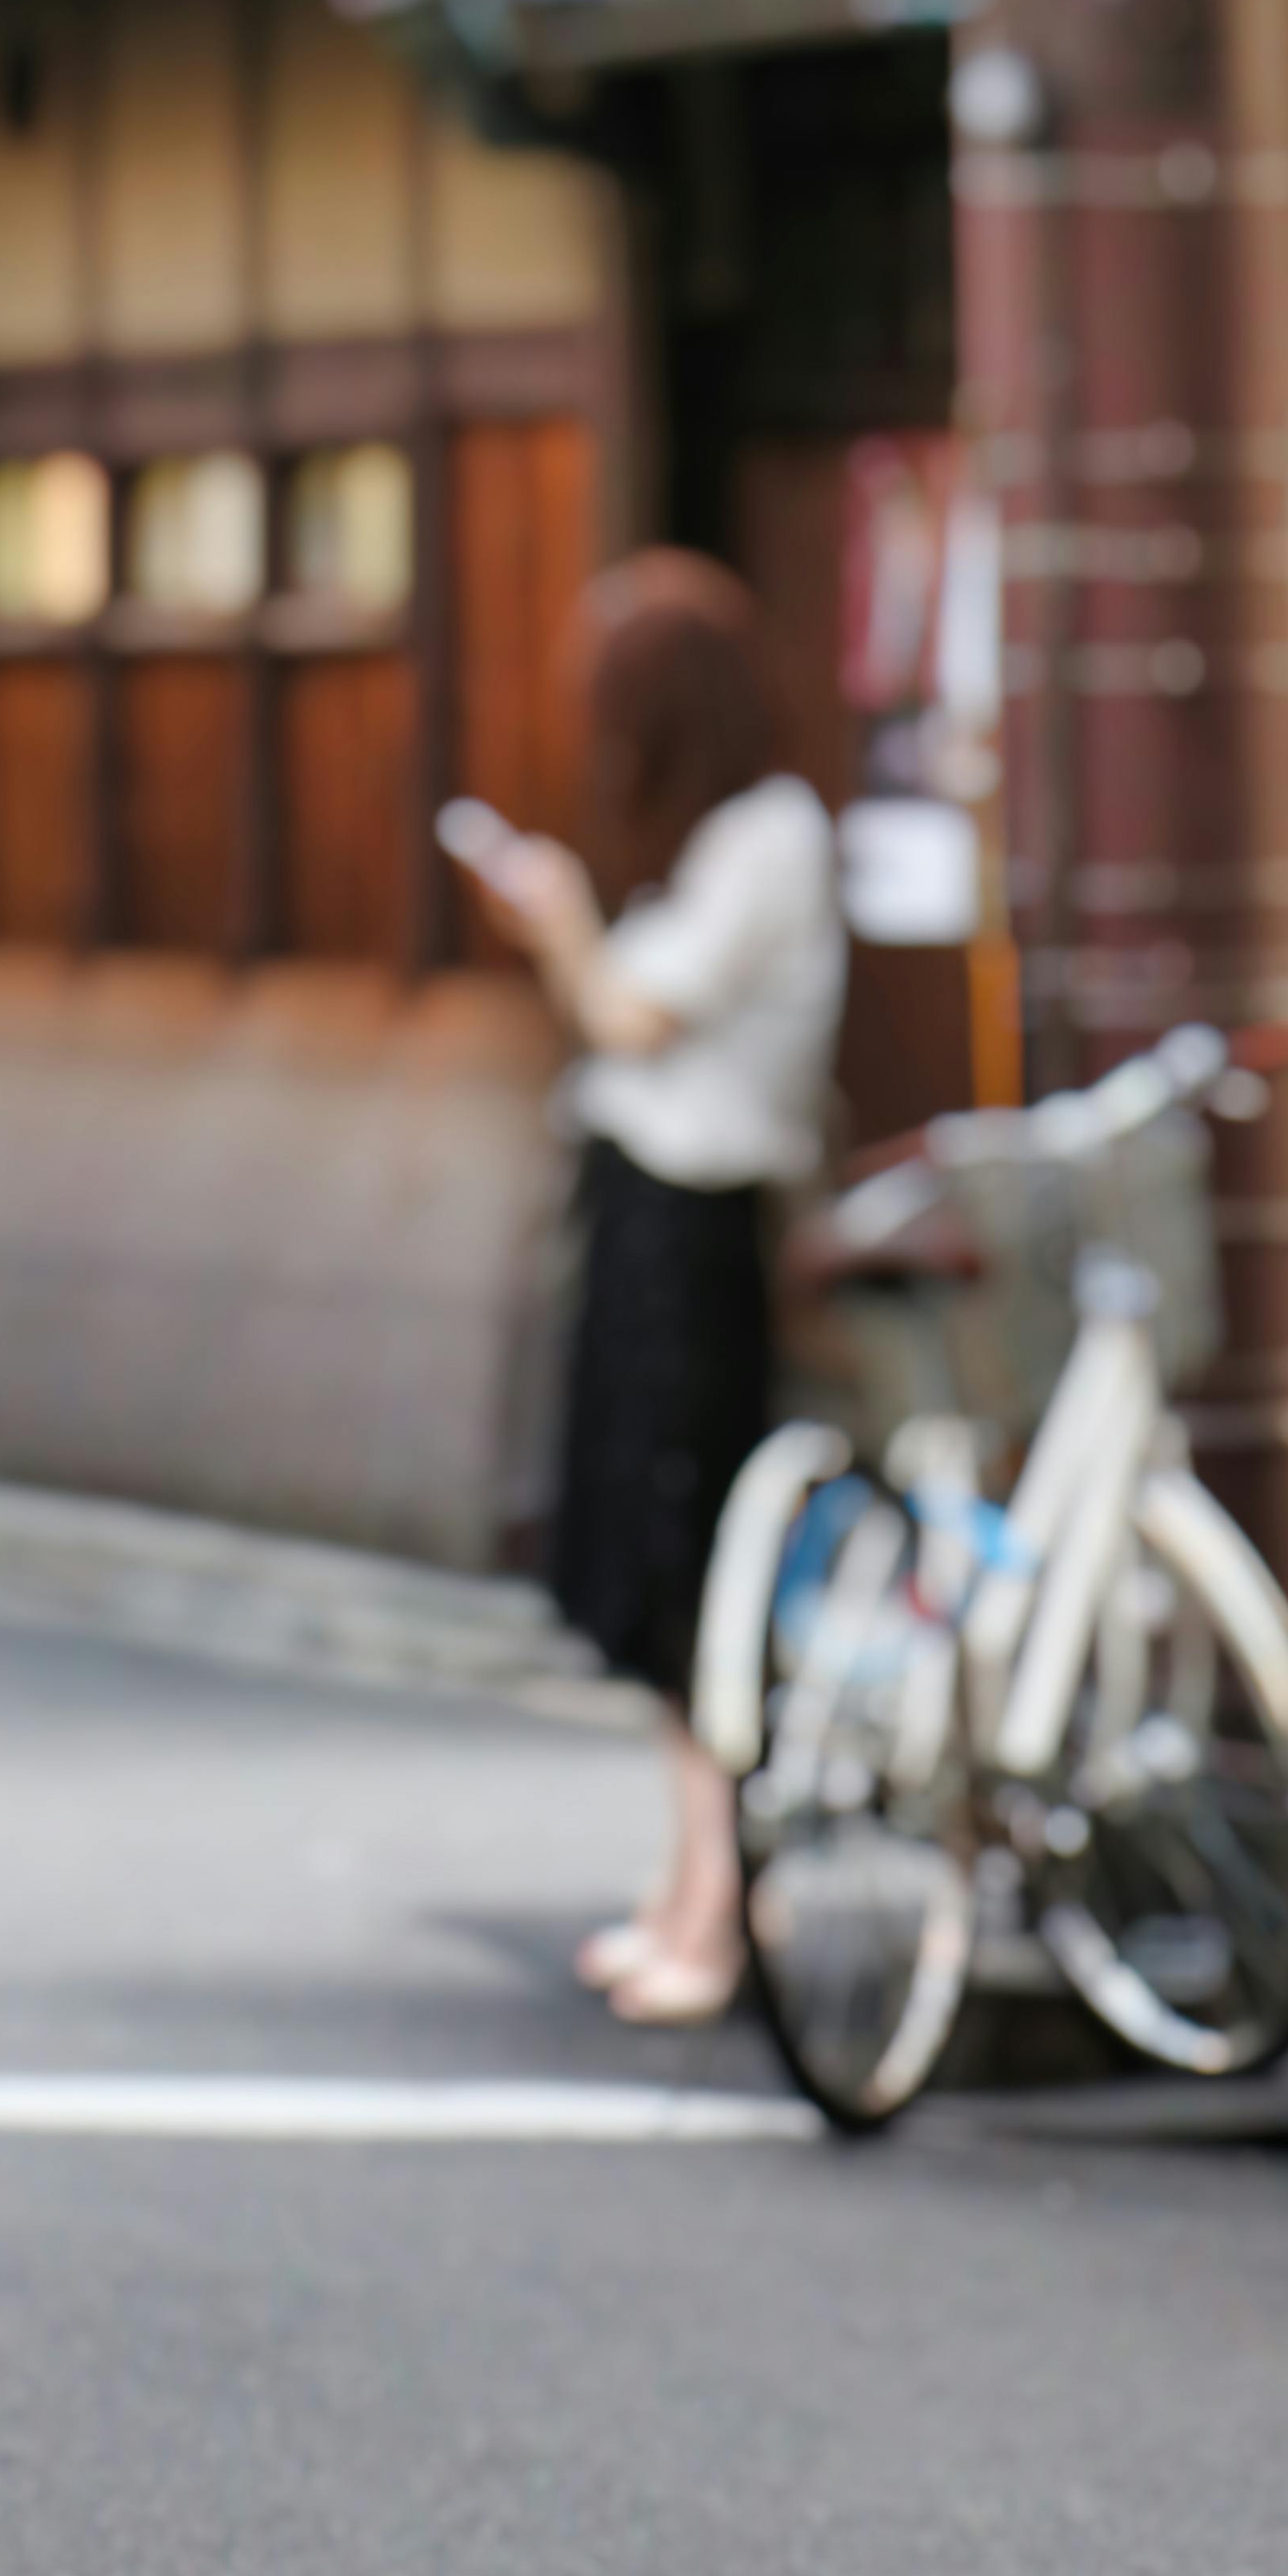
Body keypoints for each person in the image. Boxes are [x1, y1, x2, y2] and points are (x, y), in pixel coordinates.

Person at [460, 554, 843, 2025]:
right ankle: (696, 1885)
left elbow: (632, 1011)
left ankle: (722, 1901)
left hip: (697, 1231)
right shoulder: (735, 837)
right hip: (654, 1217)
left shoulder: (768, 838)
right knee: (661, 1558)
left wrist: (558, 916)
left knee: (694, 1569)